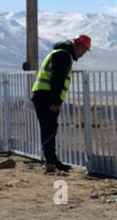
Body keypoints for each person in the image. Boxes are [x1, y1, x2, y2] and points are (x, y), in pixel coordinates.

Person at [30, 34, 91, 173]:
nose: (82, 55)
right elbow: (57, 80)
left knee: (49, 128)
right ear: (78, 46)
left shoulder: (58, 53)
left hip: (42, 95)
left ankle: (52, 161)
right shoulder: (64, 56)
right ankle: (51, 162)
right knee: (49, 129)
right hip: (47, 96)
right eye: (84, 51)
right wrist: (55, 102)